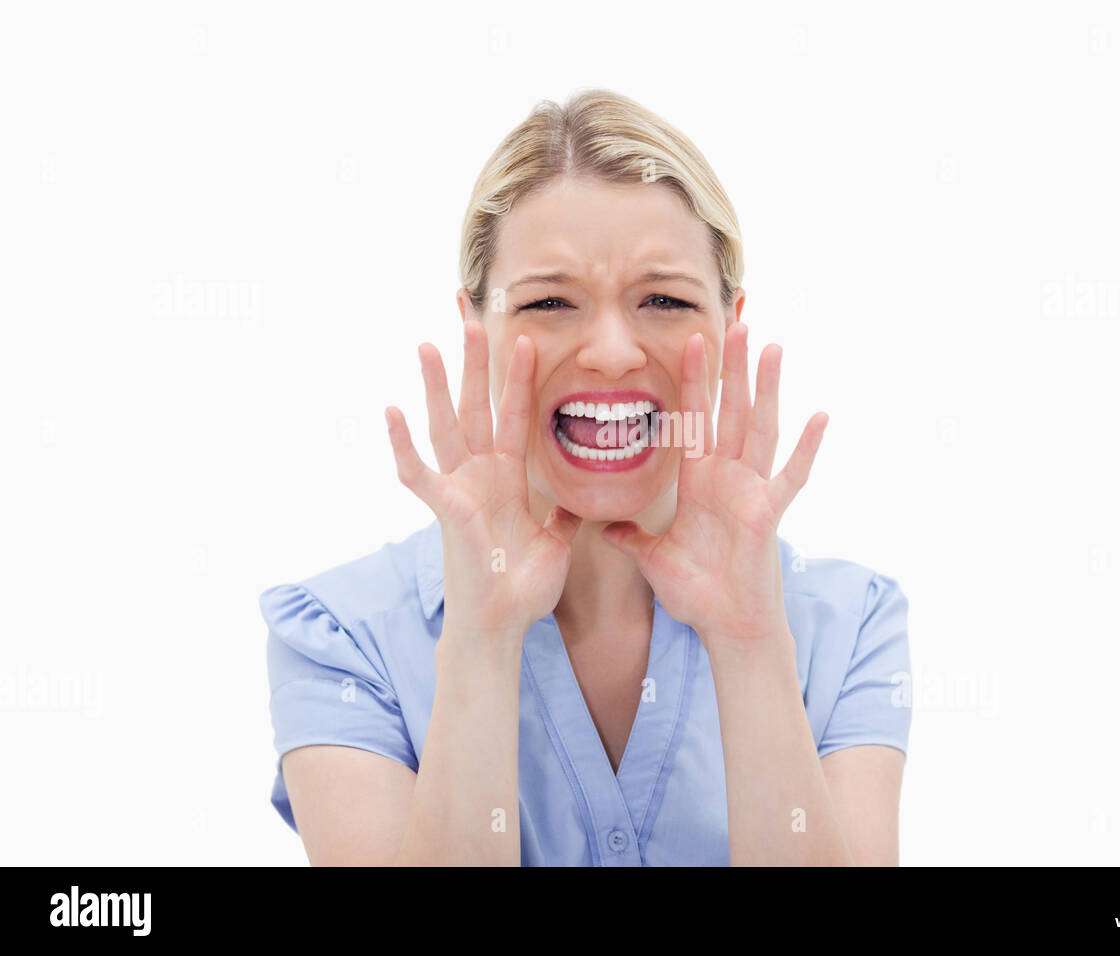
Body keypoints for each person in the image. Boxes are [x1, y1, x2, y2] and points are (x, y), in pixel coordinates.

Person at [259, 88, 912, 866]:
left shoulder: (848, 627)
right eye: (551, 301)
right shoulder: (342, 638)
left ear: (731, 328)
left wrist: (749, 642)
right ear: (477, 328)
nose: (611, 351)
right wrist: (482, 636)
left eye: (665, 299)